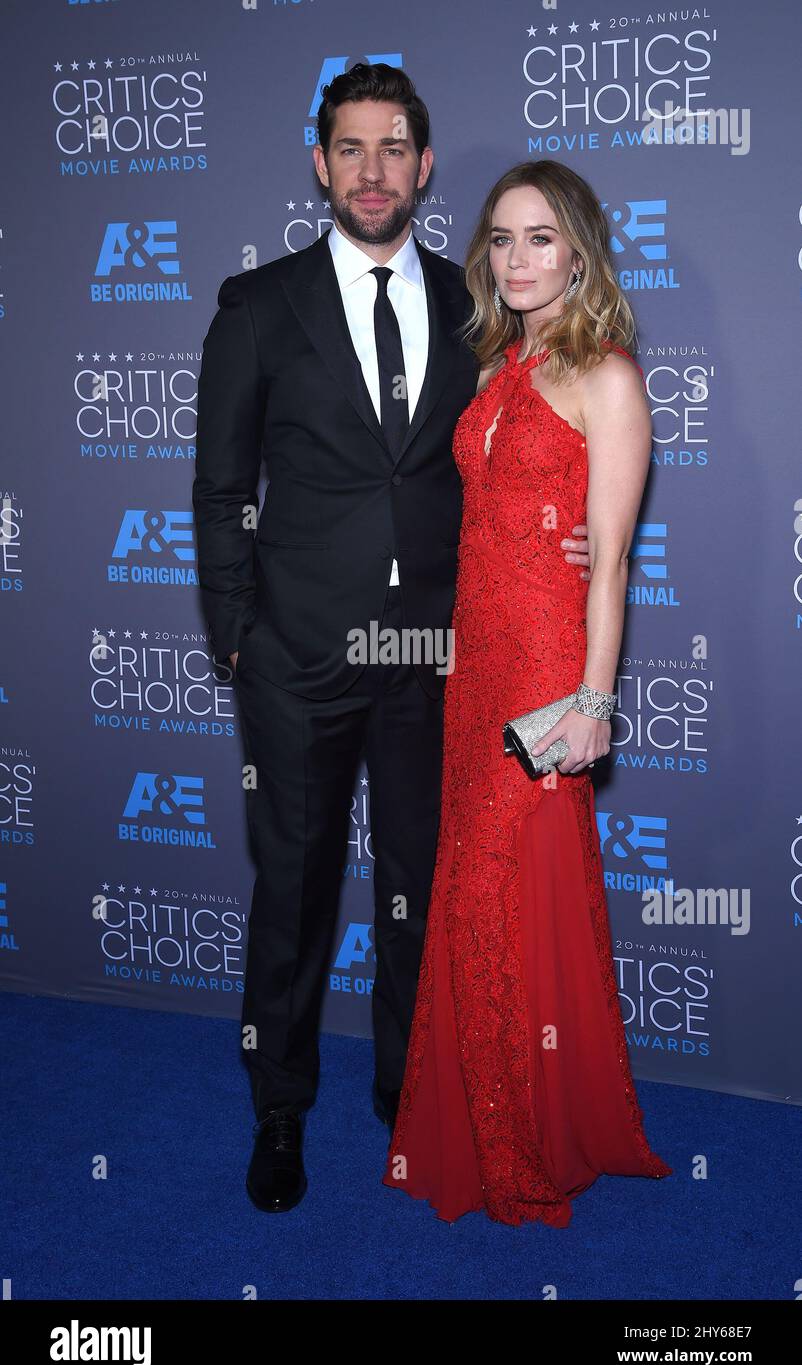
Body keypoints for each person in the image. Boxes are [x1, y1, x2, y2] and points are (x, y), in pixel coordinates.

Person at [192, 64, 591, 1214]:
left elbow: (526, 455)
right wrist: (235, 639)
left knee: (424, 886)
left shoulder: (478, 310)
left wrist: (571, 543)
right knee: (296, 892)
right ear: (321, 165)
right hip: (298, 661)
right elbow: (220, 489)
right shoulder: (258, 305)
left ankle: (409, 1091)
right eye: (350, 148)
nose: (373, 170)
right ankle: (279, 1107)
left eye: (394, 148)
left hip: (435, 663)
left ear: (423, 167)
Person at [382, 159, 672, 1226]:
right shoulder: (503, 362)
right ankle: (488, 1113)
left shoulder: (608, 376)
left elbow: (607, 563)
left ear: (581, 248)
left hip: (546, 677)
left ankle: (518, 1141)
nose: (515, 259)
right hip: (478, 668)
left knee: (500, 895)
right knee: (479, 891)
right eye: (500, 239)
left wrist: (591, 701)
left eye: (539, 238)